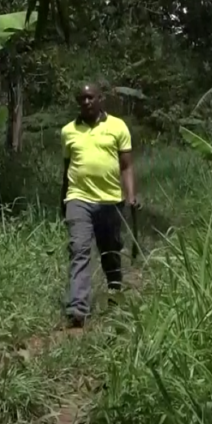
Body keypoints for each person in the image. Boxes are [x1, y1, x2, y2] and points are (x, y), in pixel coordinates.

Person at [59, 83, 138, 327]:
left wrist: (131, 195)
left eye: (90, 97)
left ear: (100, 99)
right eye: (81, 98)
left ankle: (115, 290)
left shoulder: (117, 127)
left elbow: (126, 166)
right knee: (79, 249)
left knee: (110, 251)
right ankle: (78, 309)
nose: (86, 102)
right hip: (78, 198)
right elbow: (66, 169)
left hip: (110, 200)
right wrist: (63, 201)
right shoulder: (68, 131)